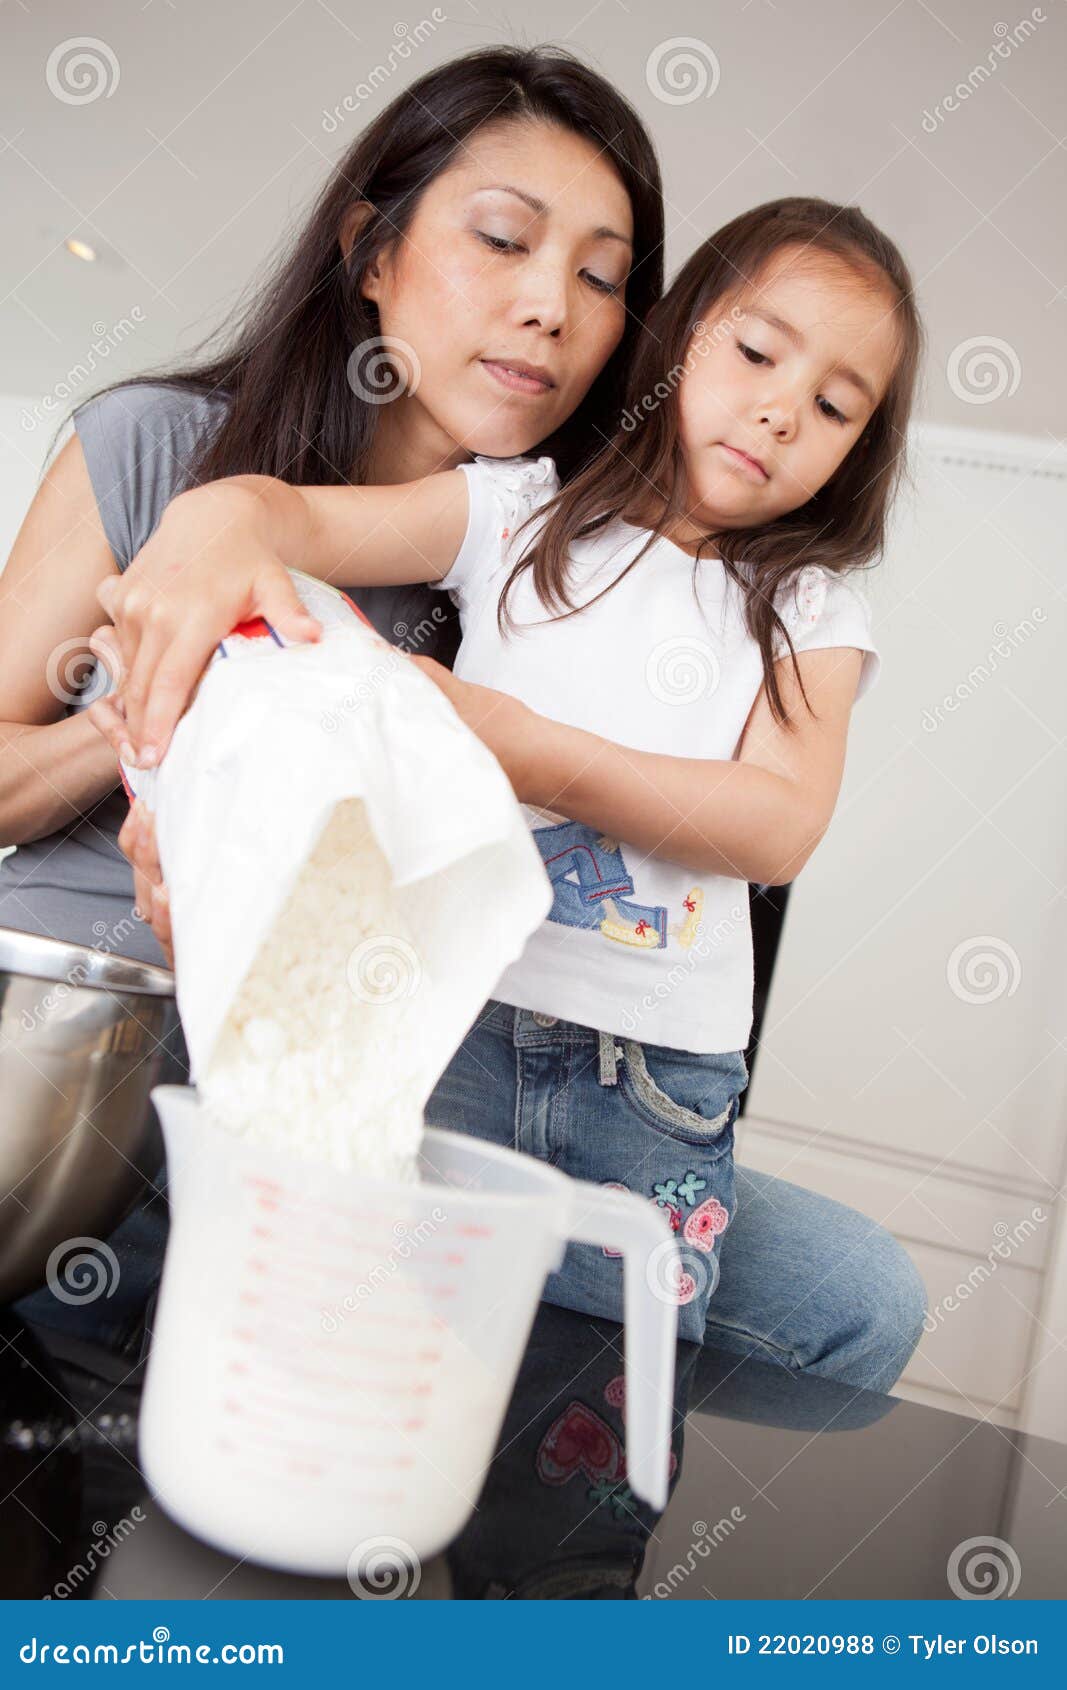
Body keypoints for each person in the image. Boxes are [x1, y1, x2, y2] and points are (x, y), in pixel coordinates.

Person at [97, 196, 930, 1387]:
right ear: (678, 338)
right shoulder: (512, 510)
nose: (780, 409)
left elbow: (777, 824)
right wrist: (227, 512)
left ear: (857, 451)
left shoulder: (807, 614)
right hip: (446, 1017)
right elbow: (297, 530)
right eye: (754, 353)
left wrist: (526, 747)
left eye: (835, 406)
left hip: (653, 1084)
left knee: (584, 1400)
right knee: (382, 1342)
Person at [1, 44, 663, 1354]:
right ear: (370, 254)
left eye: (598, 276)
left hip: (336, 1108)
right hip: (61, 1048)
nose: (550, 306)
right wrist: (177, 712)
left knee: (847, 1301)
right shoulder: (153, 449)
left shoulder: (555, 593)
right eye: (502, 240)